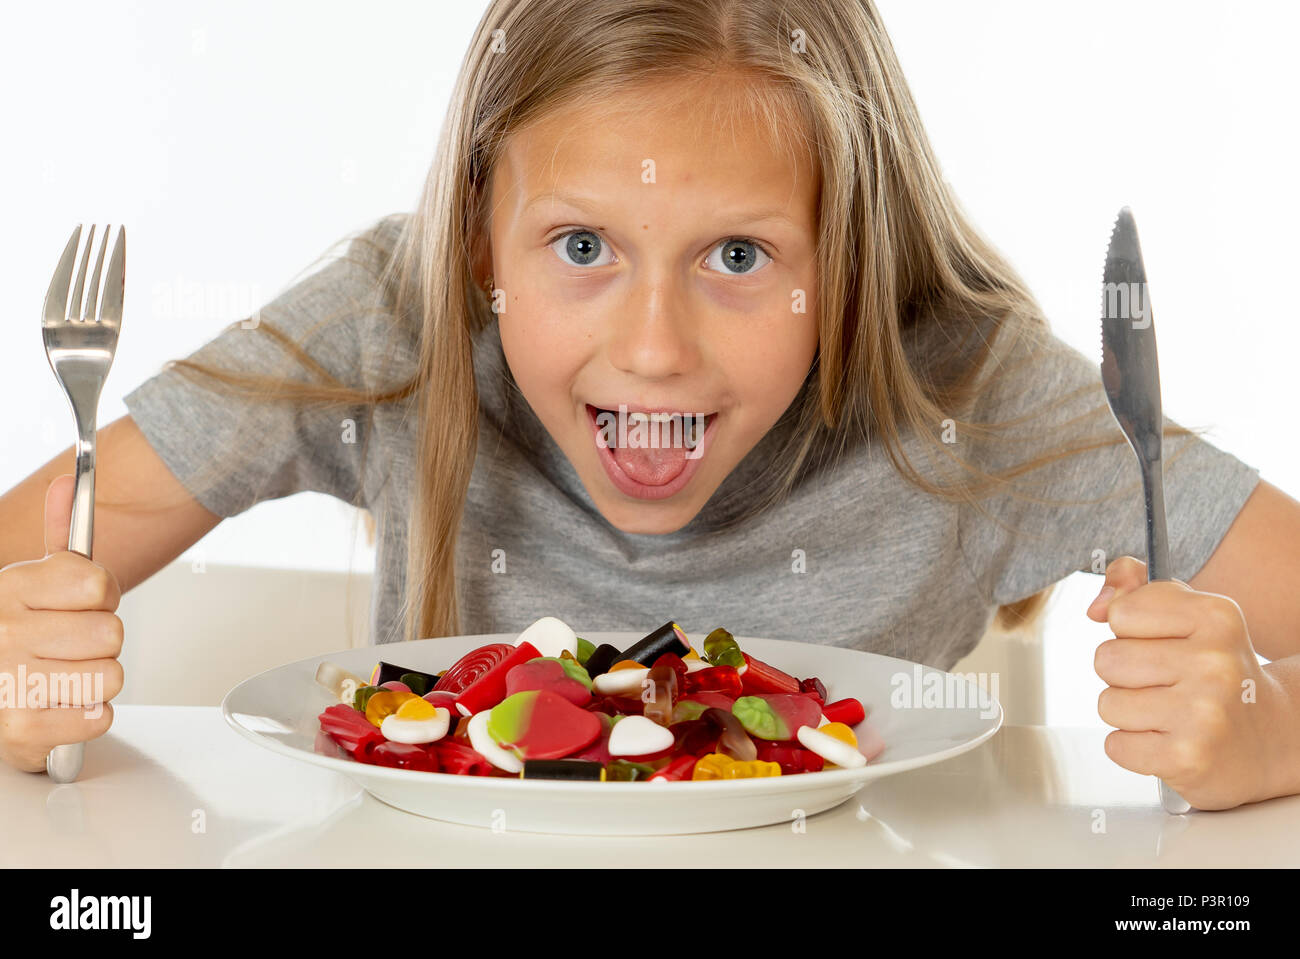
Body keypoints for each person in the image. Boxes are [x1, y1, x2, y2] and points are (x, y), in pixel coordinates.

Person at [1, 0, 1296, 811]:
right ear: (474, 248)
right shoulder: (393, 327)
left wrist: (1268, 729)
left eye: (740, 258)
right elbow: (24, 566)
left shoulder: (974, 393)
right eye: (580, 250)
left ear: (854, 262)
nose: (655, 349)